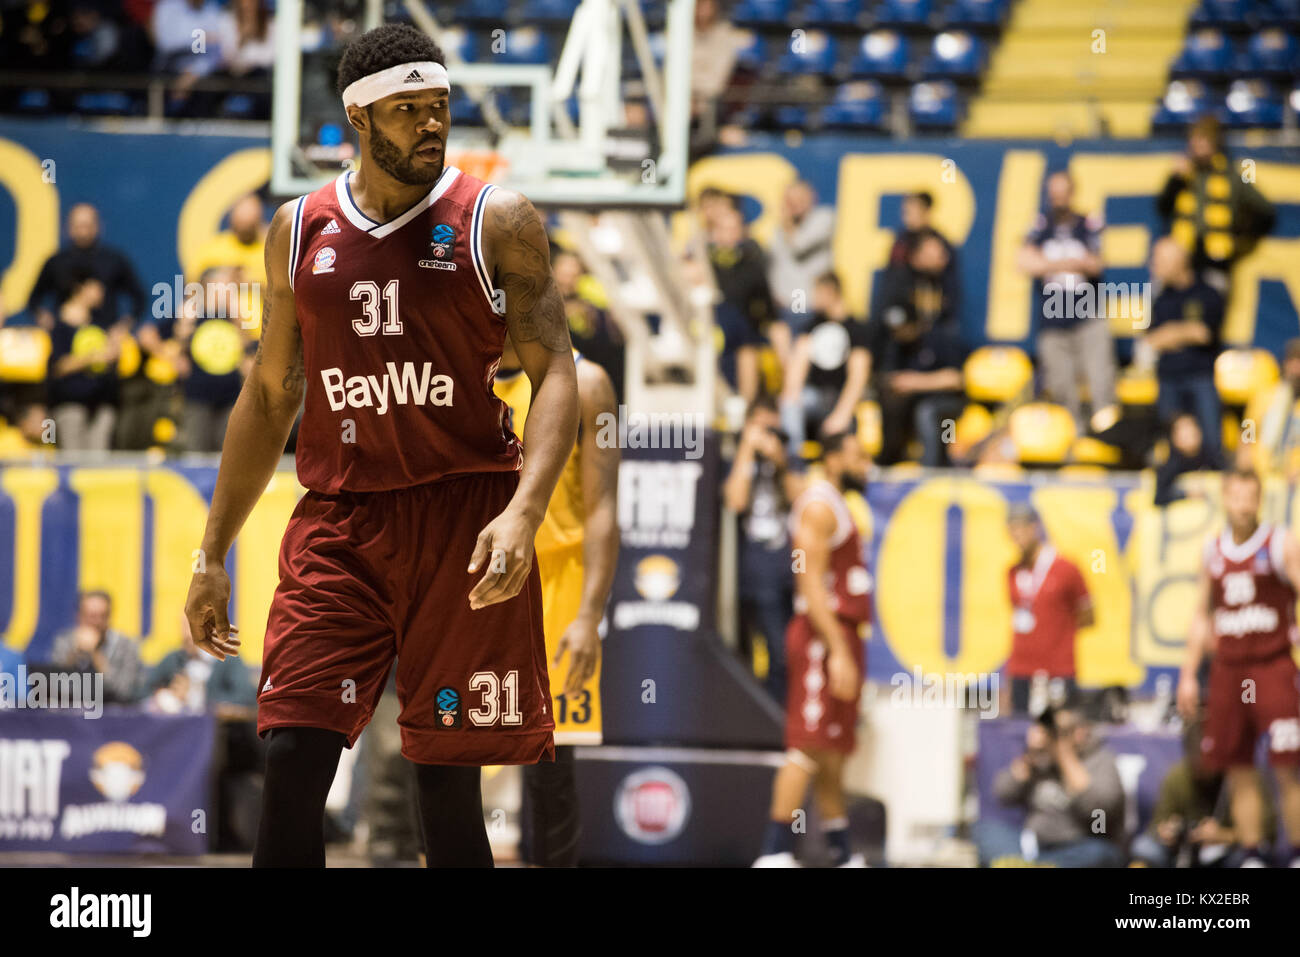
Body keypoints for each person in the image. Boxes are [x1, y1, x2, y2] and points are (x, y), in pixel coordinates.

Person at [182, 24, 580, 869]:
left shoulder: (498, 220)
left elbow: (557, 375)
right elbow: (268, 393)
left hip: (466, 519)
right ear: (360, 119)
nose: (431, 125)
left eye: (439, 108)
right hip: (342, 519)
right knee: (292, 753)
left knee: (446, 781)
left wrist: (524, 511)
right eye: (409, 111)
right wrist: (210, 550)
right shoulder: (297, 230)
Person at [494, 337, 620, 867]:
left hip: (557, 586)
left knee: (552, 762)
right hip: (475, 578)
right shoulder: (454, 371)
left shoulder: (588, 383)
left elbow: (603, 507)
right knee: (443, 752)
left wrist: (590, 614)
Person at [753, 429, 872, 867]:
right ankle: (774, 853)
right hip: (824, 638)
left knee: (831, 752)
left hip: (839, 635)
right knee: (805, 748)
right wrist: (837, 649)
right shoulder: (819, 505)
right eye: (859, 455)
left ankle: (841, 855)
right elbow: (809, 585)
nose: (867, 465)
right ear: (836, 458)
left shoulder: (830, 501)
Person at [1178, 468, 1300, 867]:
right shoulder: (1211, 550)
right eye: (1237, 496)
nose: (1244, 505)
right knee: (1237, 767)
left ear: (1261, 499)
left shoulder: (1279, 543)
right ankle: (1252, 855)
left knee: (1287, 765)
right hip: (1228, 670)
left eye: (1251, 497)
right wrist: (1187, 673)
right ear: (1224, 499)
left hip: (1273, 666)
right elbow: (1200, 615)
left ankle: (1296, 852)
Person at [1017, 170, 1114, 429]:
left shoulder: (1087, 223)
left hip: (1087, 315)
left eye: (1063, 192)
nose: (1058, 198)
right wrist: (1068, 262)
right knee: (1061, 388)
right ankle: (1073, 443)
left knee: (1101, 382)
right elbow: (1024, 262)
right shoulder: (1040, 225)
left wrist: (1049, 264)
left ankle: (1107, 437)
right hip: (1053, 320)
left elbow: (1095, 264)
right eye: (1054, 192)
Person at [976, 707, 1126, 867]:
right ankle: (1033, 863)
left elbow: (1099, 813)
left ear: (1080, 731)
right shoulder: (1040, 758)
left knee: (1100, 854)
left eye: (1061, 731)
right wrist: (1030, 755)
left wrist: (1065, 756)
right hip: (1033, 844)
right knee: (985, 831)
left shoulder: (1102, 760)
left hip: (1080, 844)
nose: (1053, 736)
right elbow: (1003, 793)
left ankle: (1030, 864)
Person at [871, 234, 967, 466]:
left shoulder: (944, 332)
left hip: (949, 405)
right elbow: (891, 377)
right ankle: (889, 463)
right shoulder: (898, 343)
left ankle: (933, 471)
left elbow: (956, 379)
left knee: (931, 414)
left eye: (905, 327)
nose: (900, 333)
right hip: (915, 399)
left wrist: (914, 382)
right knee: (891, 402)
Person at [724, 395, 796, 704]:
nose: (769, 436)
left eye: (773, 429)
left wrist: (781, 463)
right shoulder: (736, 459)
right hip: (751, 570)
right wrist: (747, 451)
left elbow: (801, 498)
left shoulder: (789, 459)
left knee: (782, 652)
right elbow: (735, 501)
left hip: (785, 569)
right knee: (744, 654)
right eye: (762, 428)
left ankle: (777, 715)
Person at [1131, 716, 1275, 868]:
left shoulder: (1241, 776)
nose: (1204, 769)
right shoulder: (1177, 776)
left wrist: (1224, 836)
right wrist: (1167, 831)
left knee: (1246, 857)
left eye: (1207, 763)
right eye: (1196, 764)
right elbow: (1157, 824)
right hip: (1186, 850)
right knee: (1144, 847)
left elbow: (1268, 833)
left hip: (1229, 852)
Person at [1156, 115, 1275, 292]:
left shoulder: (1232, 175)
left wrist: (1240, 234)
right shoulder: (1181, 172)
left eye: (1204, 139)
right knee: (1164, 307)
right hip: (1182, 261)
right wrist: (1175, 180)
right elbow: (1162, 207)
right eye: (1194, 139)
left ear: (1215, 142)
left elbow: (1265, 210)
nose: (1198, 144)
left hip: (1215, 261)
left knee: (1208, 311)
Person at [1004, 503, 1093, 716]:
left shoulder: (1066, 569)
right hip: (1022, 670)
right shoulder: (1012, 572)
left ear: (1034, 528)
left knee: (1060, 736)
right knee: (1022, 734)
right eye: (1011, 530)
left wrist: (1057, 634)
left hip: (1058, 669)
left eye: (1020, 529)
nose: (1016, 536)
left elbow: (1088, 615)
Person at [1143, 236, 1224, 458]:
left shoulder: (1207, 293)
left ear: (1179, 261)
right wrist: (1184, 332)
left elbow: (1203, 333)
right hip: (1168, 380)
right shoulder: (1160, 299)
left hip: (1201, 378)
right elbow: (1151, 340)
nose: (1153, 264)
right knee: (1171, 447)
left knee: (1211, 443)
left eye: (1159, 259)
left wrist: (1171, 332)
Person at [779, 271, 871, 458]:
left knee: (845, 427)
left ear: (830, 291)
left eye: (817, 292)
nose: (812, 299)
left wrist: (842, 414)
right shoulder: (811, 326)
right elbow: (798, 365)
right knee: (790, 403)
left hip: (842, 399)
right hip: (816, 397)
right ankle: (794, 463)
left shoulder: (857, 329)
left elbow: (858, 377)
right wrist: (792, 393)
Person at [22, 203, 145, 332]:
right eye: (78, 226)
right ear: (69, 227)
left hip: (105, 338)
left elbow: (139, 297)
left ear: (98, 226)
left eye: (87, 225)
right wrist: (44, 318)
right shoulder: (56, 262)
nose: (83, 232)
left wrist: (123, 326)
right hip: (63, 338)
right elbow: (34, 299)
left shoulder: (114, 260)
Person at [46, 275, 123, 451]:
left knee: (99, 468)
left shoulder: (101, 322)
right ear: (80, 288)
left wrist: (114, 351)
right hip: (70, 404)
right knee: (74, 463)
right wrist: (93, 357)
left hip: (101, 404)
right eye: (96, 287)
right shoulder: (59, 326)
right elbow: (58, 367)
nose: (101, 293)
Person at [767, 180, 836, 361]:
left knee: (802, 348)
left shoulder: (823, 218)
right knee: (784, 342)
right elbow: (776, 263)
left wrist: (787, 221)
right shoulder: (780, 229)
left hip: (805, 301)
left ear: (812, 198)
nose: (794, 204)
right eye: (790, 199)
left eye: (799, 199)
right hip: (784, 303)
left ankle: (798, 384)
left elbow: (799, 245)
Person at [50, 590, 143, 704]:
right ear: (79, 616)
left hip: (112, 713)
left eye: (102, 616)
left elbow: (124, 692)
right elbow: (52, 686)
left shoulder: (126, 646)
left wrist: (96, 655)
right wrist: (73, 655)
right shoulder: (65, 642)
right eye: (91, 616)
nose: (97, 622)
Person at [1241, 337, 1300, 481]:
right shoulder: (1265, 395)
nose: (1296, 368)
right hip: (1260, 473)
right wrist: (1245, 461)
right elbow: (1248, 430)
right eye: (1293, 361)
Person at [1154, 412, 1225, 507]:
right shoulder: (1170, 467)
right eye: (1184, 429)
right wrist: (1186, 495)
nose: (1191, 431)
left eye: (1193, 426)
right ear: (1174, 438)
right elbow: (1159, 498)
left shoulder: (1211, 457)